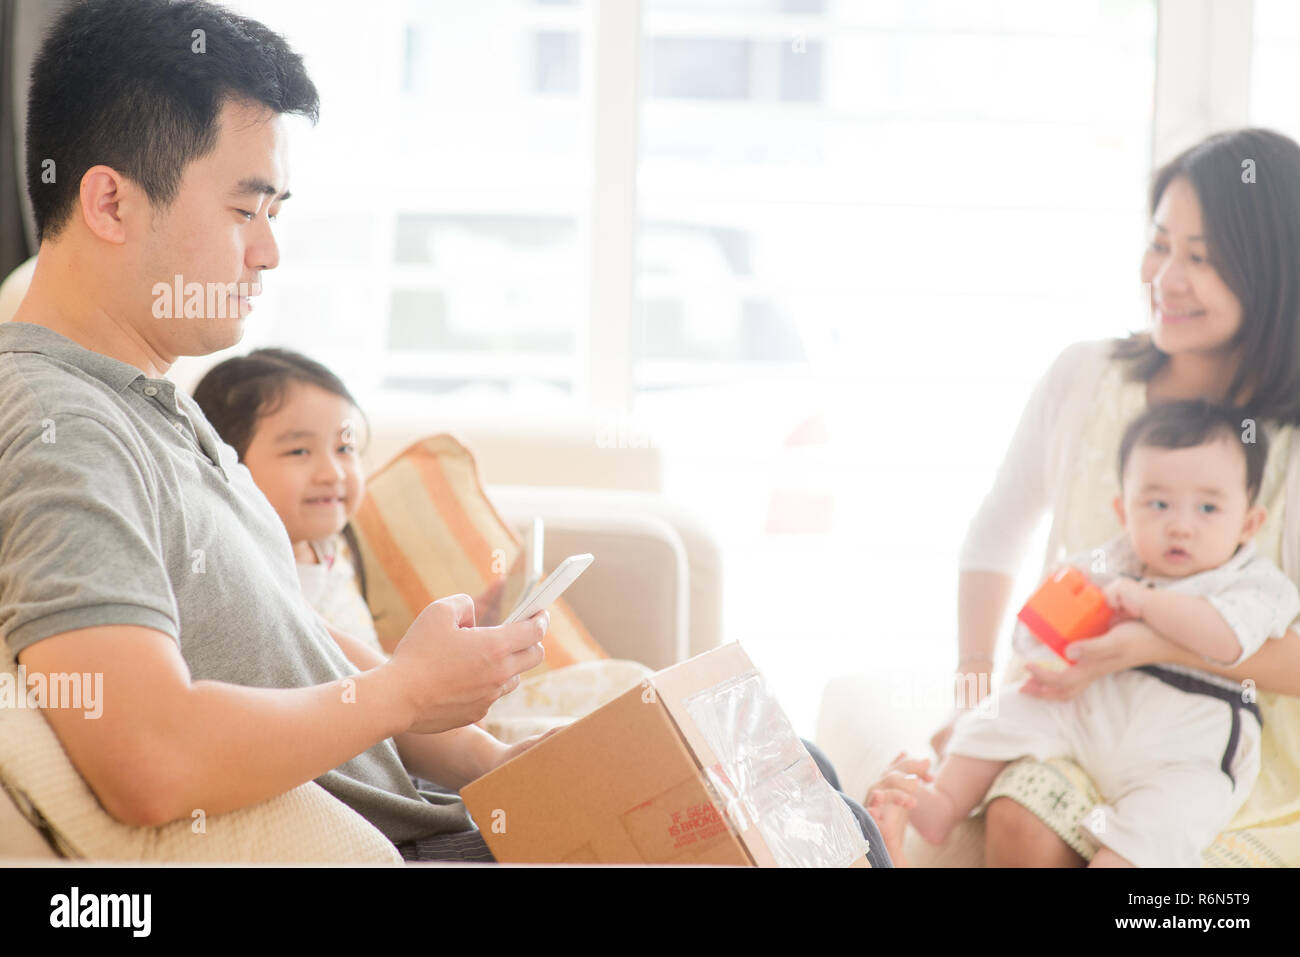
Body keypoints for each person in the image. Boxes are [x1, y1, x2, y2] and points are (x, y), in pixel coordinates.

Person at [0, 0, 901, 867]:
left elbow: (286, 632)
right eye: (245, 210)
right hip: (424, 850)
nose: (269, 253)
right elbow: (148, 759)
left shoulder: (151, 394)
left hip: (451, 818)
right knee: (823, 819)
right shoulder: (60, 428)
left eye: (275, 215)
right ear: (111, 205)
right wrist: (403, 691)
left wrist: (488, 753)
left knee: (794, 770)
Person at [928, 127, 1300, 867]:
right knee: (1018, 823)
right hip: (1076, 711)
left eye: (1203, 258)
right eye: (1161, 244)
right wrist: (971, 688)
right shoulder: (1085, 378)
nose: (1166, 278)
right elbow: (993, 538)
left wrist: (1158, 638)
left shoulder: (1286, 443)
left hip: (1228, 749)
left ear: (1272, 269)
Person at [908, 400, 1300, 867]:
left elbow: (1227, 642)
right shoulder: (1109, 564)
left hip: (1191, 739)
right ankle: (944, 801)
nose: (1179, 525)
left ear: (1249, 523)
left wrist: (1146, 603)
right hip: (1092, 711)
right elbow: (1031, 633)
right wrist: (1055, 637)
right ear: (1123, 511)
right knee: (1005, 712)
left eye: (1208, 508)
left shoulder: (1253, 582)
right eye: (1156, 504)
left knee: (1165, 821)